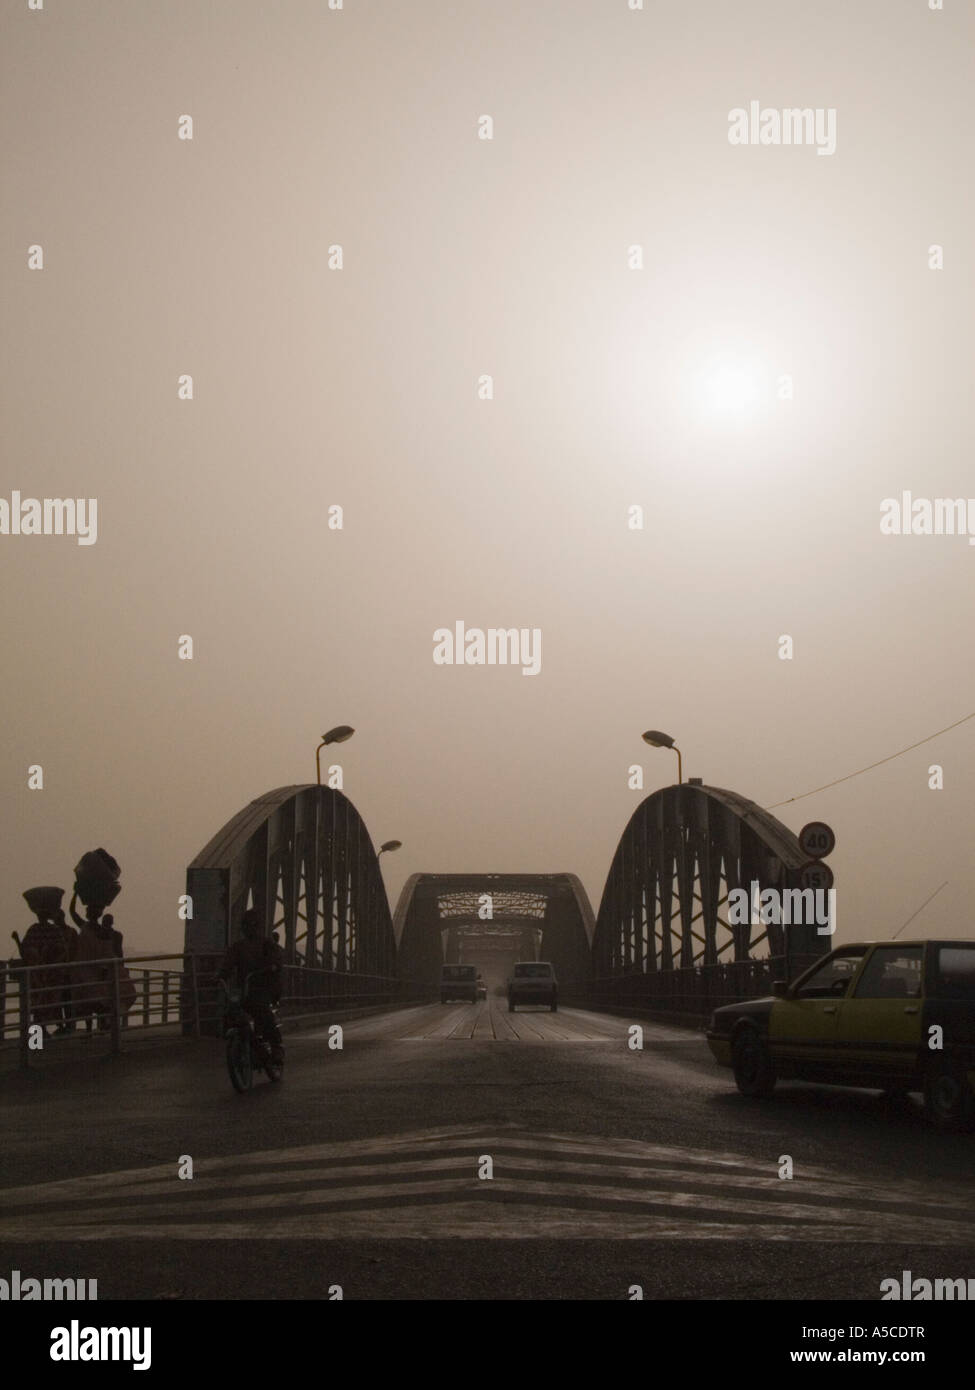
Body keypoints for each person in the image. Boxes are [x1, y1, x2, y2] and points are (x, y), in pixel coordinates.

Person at [217, 910, 284, 1064]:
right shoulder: (238, 947)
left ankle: (276, 1046)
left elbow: (276, 960)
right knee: (232, 1009)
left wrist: (273, 966)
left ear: (257, 927)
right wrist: (219, 975)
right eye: (246, 926)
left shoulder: (267, 944)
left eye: (251, 925)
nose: (248, 929)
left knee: (262, 1010)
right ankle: (241, 1040)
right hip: (245, 989)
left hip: (265, 987)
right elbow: (228, 963)